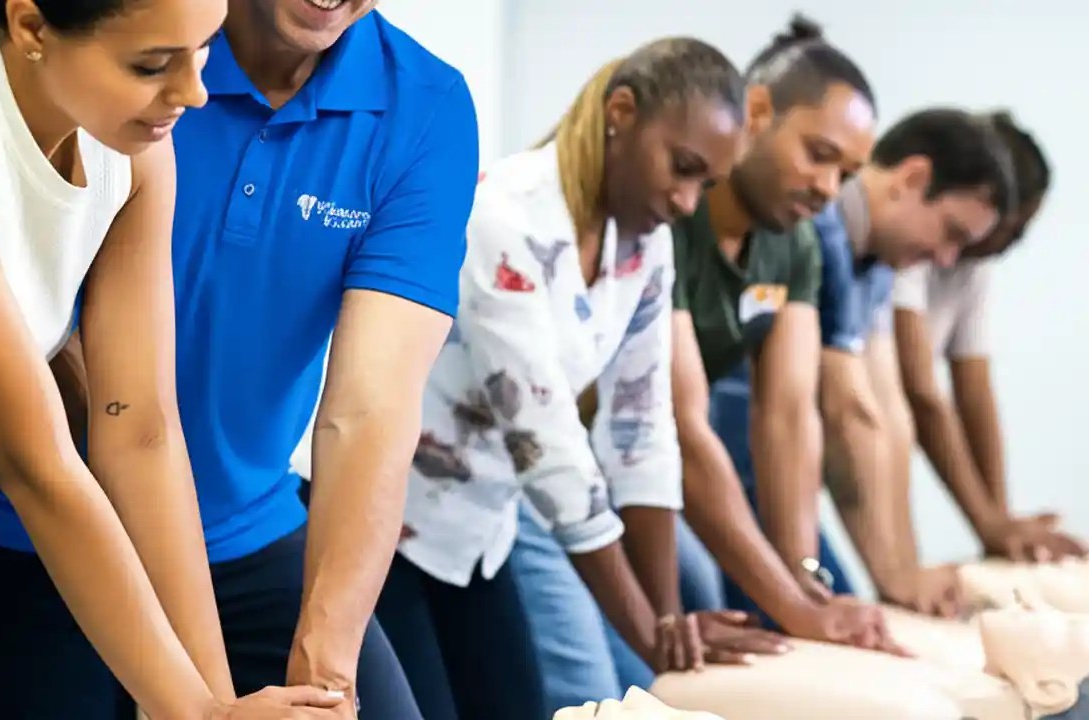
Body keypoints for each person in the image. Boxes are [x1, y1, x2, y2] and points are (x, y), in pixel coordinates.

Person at [0, 1, 479, 718]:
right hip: (27, 523)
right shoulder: (126, 50)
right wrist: (208, 704)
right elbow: (75, 371)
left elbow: (371, 410)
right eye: (160, 64)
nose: (185, 88)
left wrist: (326, 676)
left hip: (246, 525)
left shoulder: (423, 107)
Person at [0, 1, 344, 719]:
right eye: (151, 64)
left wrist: (215, 705)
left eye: (204, 49)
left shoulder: (134, 150)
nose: (193, 93)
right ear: (31, 27)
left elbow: (141, 432)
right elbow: (34, 464)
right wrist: (197, 714)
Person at [372, 39, 785, 719]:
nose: (689, 202)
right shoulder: (504, 216)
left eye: (706, 184)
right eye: (683, 169)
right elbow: (547, 442)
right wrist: (653, 638)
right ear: (621, 113)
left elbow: (641, 427)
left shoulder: (646, 244)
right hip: (387, 523)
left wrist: (670, 619)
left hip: (480, 535)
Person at [655, 15, 903, 651]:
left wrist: (803, 584)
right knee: (699, 593)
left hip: (647, 469)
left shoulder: (796, 245)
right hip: (592, 467)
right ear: (758, 113)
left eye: (846, 174)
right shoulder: (673, 213)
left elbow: (789, 416)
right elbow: (683, 426)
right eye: (819, 155)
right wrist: (792, 608)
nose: (827, 188)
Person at [807, 107, 1019, 618]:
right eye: (951, 233)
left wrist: (907, 572)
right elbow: (847, 413)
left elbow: (891, 421)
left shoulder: (877, 266)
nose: (947, 259)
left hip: (765, 491)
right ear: (913, 178)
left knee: (852, 606)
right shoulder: (823, 229)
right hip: (714, 484)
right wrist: (895, 577)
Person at [887, 111, 1086, 581]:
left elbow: (975, 391)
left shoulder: (971, 268)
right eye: (1012, 227)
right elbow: (921, 393)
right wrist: (988, 523)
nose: (1013, 243)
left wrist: (999, 521)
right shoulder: (915, 245)